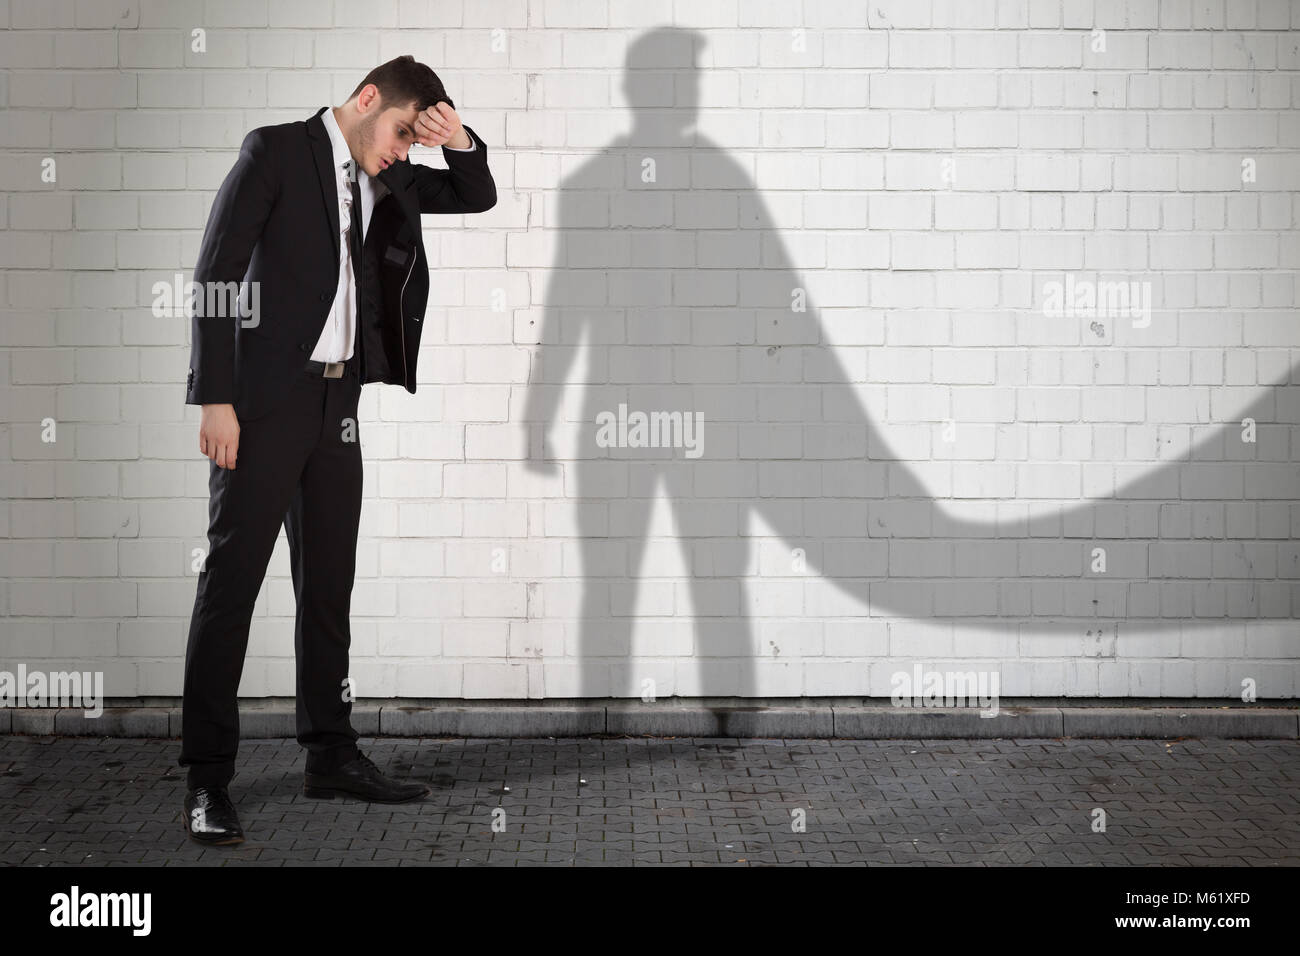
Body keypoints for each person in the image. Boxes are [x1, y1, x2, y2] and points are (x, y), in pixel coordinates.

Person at [179, 55, 497, 845]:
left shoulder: (385, 174)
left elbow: (473, 193)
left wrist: (454, 138)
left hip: (337, 405)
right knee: (233, 588)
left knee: (327, 588)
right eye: (398, 132)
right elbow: (217, 275)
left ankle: (331, 753)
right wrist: (215, 398)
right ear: (363, 101)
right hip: (259, 409)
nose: (400, 151)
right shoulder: (275, 153)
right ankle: (208, 781)